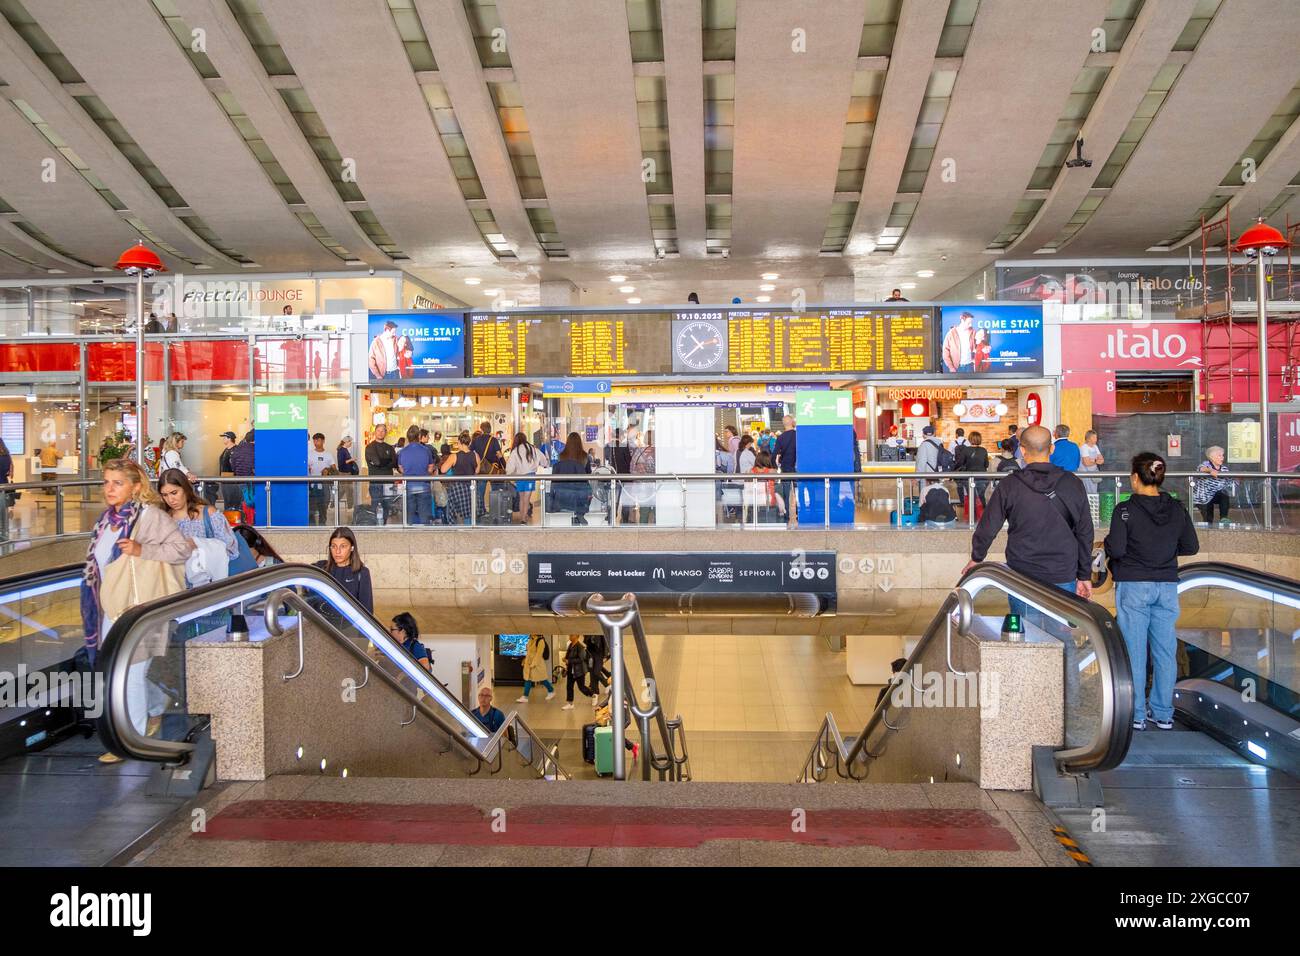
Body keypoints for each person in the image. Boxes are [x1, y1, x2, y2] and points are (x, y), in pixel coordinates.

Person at [79, 459, 191, 763]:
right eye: (106, 482)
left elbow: (182, 549)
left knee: (129, 673)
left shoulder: (150, 517)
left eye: (118, 483)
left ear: (136, 487)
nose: (110, 489)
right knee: (119, 670)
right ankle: (154, 706)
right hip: (111, 606)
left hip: (141, 607)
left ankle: (135, 740)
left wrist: (144, 551)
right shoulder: (106, 521)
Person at [1105, 452, 1200, 731]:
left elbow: (1118, 549)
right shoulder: (1177, 509)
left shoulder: (1124, 511)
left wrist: (1110, 547)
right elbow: (1191, 547)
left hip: (1134, 584)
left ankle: (1135, 713)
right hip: (1167, 585)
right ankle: (1163, 713)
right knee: (1165, 651)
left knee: (1134, 652)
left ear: (1135, 477)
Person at [966, 424, 1094, 603]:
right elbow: (1085, 532)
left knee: (1024, 629)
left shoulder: (1010, 485)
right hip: (1063, 571)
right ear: (1052, 448)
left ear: (1022, 449)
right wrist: (1084, 574)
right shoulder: (1073, 483)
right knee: (1058, 630)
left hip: (1022, 574)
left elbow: (988, 526)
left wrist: (977, 557)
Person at [158, 468, 238, 585]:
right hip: (176, 586)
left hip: (211, 585)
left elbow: (232, 550)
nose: (170, 499)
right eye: (165, 495)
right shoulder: (163, 519)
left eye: (174, 493)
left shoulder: (209, 514)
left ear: (185, 489)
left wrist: (199, 544)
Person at [315, 527, 373, 615]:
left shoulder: (362, 573)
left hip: (349, 627)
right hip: (323, 626)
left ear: (352, 548)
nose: (337, 551)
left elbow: (367, 611)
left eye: (343, 546)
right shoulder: (321, 568)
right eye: (334, 546)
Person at [397, 424, 436, 525]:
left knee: (408, 518)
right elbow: (431, 468)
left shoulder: (402, 452)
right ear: (419, 436)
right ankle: (424, 537)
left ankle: (409, 536)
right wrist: (424, 473)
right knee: (424, 518)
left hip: (408, 487)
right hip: (424, 486)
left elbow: (401, 469)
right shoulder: (426, 450)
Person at [552, 432, 593, 525]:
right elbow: (588, 474)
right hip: (580, 490)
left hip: (563, 489)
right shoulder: (584, 456)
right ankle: (580, 512)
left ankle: (576, 514)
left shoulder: (561, 456)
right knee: (590, 491)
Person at [439, 430, 479, 524]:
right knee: (469, 510)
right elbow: (477, 471)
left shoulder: (454, 456)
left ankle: (458, 528)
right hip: (471, 486)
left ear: (460, 443)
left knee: (455, 511)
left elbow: (443, 470)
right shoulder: (475, 455)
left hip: (458, 487)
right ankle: (469, 528)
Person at [505, 432, 543, 525]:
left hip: (519, 476)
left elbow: (509, 468)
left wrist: (510, 476)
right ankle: (523, 518)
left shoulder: (515, 451)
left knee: (521, 498)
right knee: (526, 498)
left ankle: (522, 517)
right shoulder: (532, 449)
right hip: (530, 476)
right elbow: (543, 460)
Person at [365, 424, 398, 524]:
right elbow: (377, 462)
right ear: (375, 432)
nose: (380, 432)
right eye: (378, 430)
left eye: (383, 430)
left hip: (388, 483)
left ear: (386, 433)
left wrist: (381, 463)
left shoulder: (390, 448)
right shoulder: (370, 447)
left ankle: (383, 527)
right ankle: (376, 529)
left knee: (387, 507)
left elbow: (394, 463)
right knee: (376, 507)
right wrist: (387, 462)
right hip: (376, 483)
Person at [1194, 445, 1231, 524]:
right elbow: (1201, 468)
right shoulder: (1205, 464)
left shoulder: (1224, 469)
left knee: (1224, 495)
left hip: (1216, 494)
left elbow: (1229, 482)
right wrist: (1210, 471)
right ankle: (1208, 525)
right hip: (1204, 496)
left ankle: (1224, 518)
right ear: (1212, 457)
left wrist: (1239, 479)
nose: (1222, 457)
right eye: (1219, 455)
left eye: (1222, 455)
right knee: (1208, 520)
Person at [954, 429, 989, 512]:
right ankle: (983, 515)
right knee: (981, 497)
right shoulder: (983, 450)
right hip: (982, 478)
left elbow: (960, 463)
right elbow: (986, 465)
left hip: (969, 478)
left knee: (971, 497)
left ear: (970, 439)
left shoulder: (966, 450)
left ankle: (972, 517)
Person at [560, 634, 595, 710]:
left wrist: (569, 661)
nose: (570, 636)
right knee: (569, 687)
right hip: (570, 670)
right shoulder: (570, 645)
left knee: (581, 687)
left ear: (577, 636)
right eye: (570, 635)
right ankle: (570, 703)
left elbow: (581, 659)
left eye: (572, 635)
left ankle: (593, 695)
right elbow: (568, 655)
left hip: (579, 671)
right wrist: (565, 659)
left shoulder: (580, 647)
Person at [517, 635, 555, 702]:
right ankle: (525, 697)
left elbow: (538, 654)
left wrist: (533, 664)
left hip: (537, 664)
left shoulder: (540, 641)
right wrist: (525, 659)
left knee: (542, 679)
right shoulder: (530, 639)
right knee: (527, 679)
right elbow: (528, 652)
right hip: (528, 663)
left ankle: (551, 691)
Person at [229, 429, 256, 523]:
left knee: (244, 501)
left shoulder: (238, 448)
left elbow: (232, 464)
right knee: (252, 501)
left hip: (240, 479)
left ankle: (244, 521)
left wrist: (237, 473)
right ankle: (251, 521)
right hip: (251, 481)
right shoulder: (255, 449)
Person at [774, 415, 797, 522]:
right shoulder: (799, 435)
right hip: (799, 468)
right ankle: (800, 513)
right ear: (793, 422)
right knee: (800, 490)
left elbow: (774, 455)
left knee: (787, 492)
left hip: (786, 468)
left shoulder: (780, 437)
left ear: (783, 424)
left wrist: (774, 468)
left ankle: (788, 516)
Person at [914, 423, 948, 491]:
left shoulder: (924, 445)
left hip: (927, 477)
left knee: (926, 497)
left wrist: (917, 478)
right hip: (938, 475)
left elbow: (921, 463)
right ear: (934, 434)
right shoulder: (940, 444)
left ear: (923, 434)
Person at [307, 432, 332, 524]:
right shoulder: (309, 454)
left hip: (324, 484)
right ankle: (312, 525)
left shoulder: (328, 455)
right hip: (312, 484)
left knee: (323, 506)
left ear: (323, 441)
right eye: (314, 440)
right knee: (311, 507)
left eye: (318, 440)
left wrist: (327, 469)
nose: (316, 442)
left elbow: (334, 469)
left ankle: (322, 524)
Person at [216, 431, 239, 512]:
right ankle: (228, 519)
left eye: (225, 437)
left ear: (230, 439)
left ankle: (234, 519)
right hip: (224, 480)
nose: (223, 439)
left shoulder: (235, 450)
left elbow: (236, 466)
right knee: (227, 501)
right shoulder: (226, 449)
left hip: (232, 481)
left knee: (232, 501)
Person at [336, 435, 359, 512]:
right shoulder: (341, 450)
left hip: (347, 473)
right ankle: (350, 507)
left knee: (342, 490)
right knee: (349, 490)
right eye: (350, 442)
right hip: (344, 474)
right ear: (346, 442)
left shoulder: (345, 450)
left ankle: (333, 505)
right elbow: (341, 463)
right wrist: (351, 459)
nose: (351, 443)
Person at [1079, 430, 1104, 495]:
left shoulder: (1095, 447)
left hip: (1094, 473)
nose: (1096, 439)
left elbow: (1101, 460)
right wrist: (1096, 461)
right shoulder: (1084, 448)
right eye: (1094, 437)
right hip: (1086, 475)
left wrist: (1093, 461)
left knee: (1094, 492)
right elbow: (1086, 463)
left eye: (1096, 437)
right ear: (1089, 438)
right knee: (1088, 492)